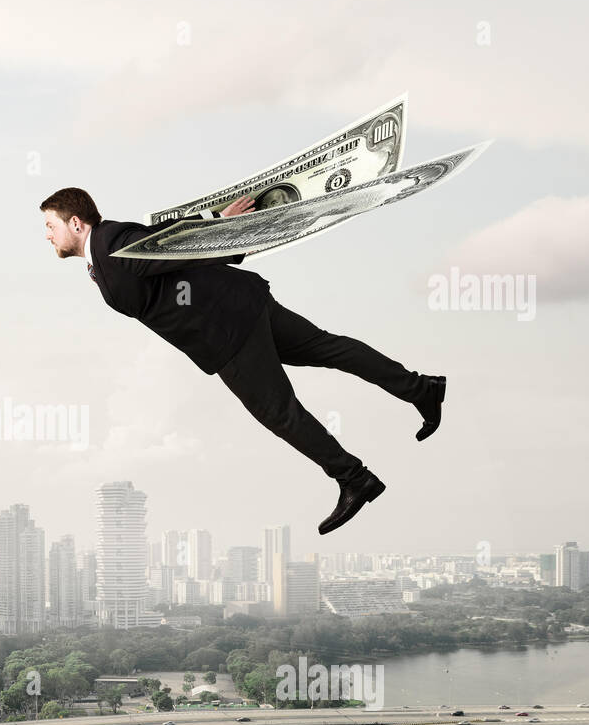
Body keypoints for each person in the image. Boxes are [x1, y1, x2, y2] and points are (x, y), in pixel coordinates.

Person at [40, 187, 445, 534]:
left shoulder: (109, 245)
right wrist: (218, 223)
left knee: (279, 413)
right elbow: (162, 242)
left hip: (226, 329)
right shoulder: (110, 246)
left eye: (50, 225)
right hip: (242, 303)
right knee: (327, 348)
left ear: (76, 223)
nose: (47, 236)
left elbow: (171, 249)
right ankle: (422, 389)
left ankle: (356, 479)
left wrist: (223, 227)